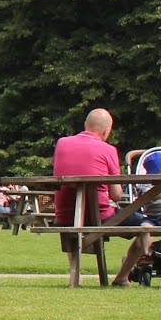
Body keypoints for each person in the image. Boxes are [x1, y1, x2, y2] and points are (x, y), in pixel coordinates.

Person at [52, 107, 145, 284]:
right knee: (148, 226)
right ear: (107, 131)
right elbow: (116, 195)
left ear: (85, 124)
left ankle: (75, 277)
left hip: (65, 216)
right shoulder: (108, 150)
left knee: (75, 220)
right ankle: (122, 277)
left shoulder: (62, 143)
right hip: (100, 216)